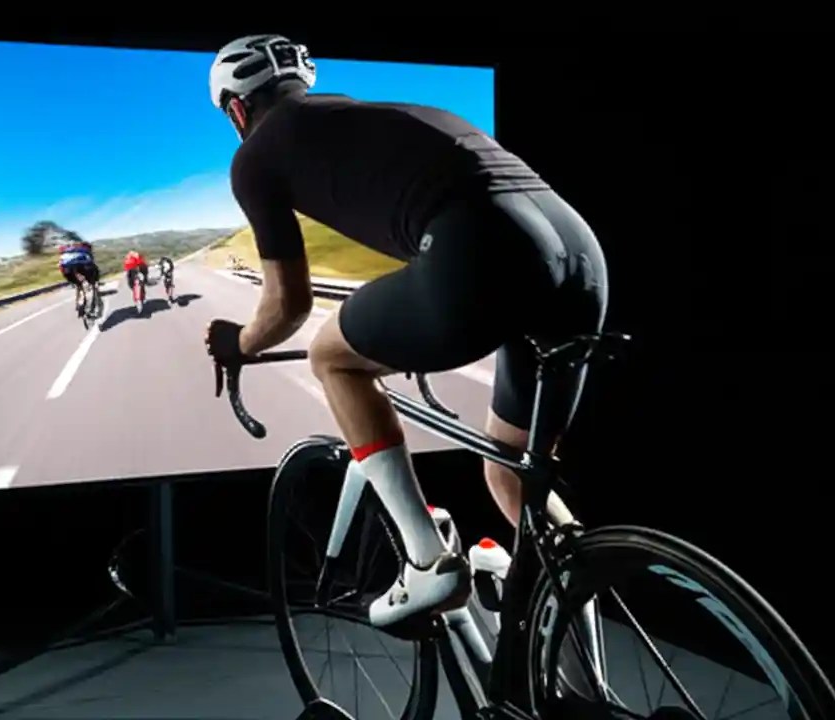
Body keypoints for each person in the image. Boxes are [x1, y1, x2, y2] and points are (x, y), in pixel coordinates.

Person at [202, 35, 608, 630]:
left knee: (331, 356)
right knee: (516, 471)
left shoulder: (256, 156)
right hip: (582, 257)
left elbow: (288, 305)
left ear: (236, 109)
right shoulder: (385, 116)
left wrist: (238, 344)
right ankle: (584, 585)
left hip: (477, 254)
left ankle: (426, 562)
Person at [58, 237, 100, 315]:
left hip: (67, 269)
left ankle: (79, 303)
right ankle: (92, 306)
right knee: (92, 284)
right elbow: (93, 266)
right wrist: (96, 279)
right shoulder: (86, 251)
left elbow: (61, 265)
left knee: (78, 285)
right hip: (84, 267)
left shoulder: (68, 251)